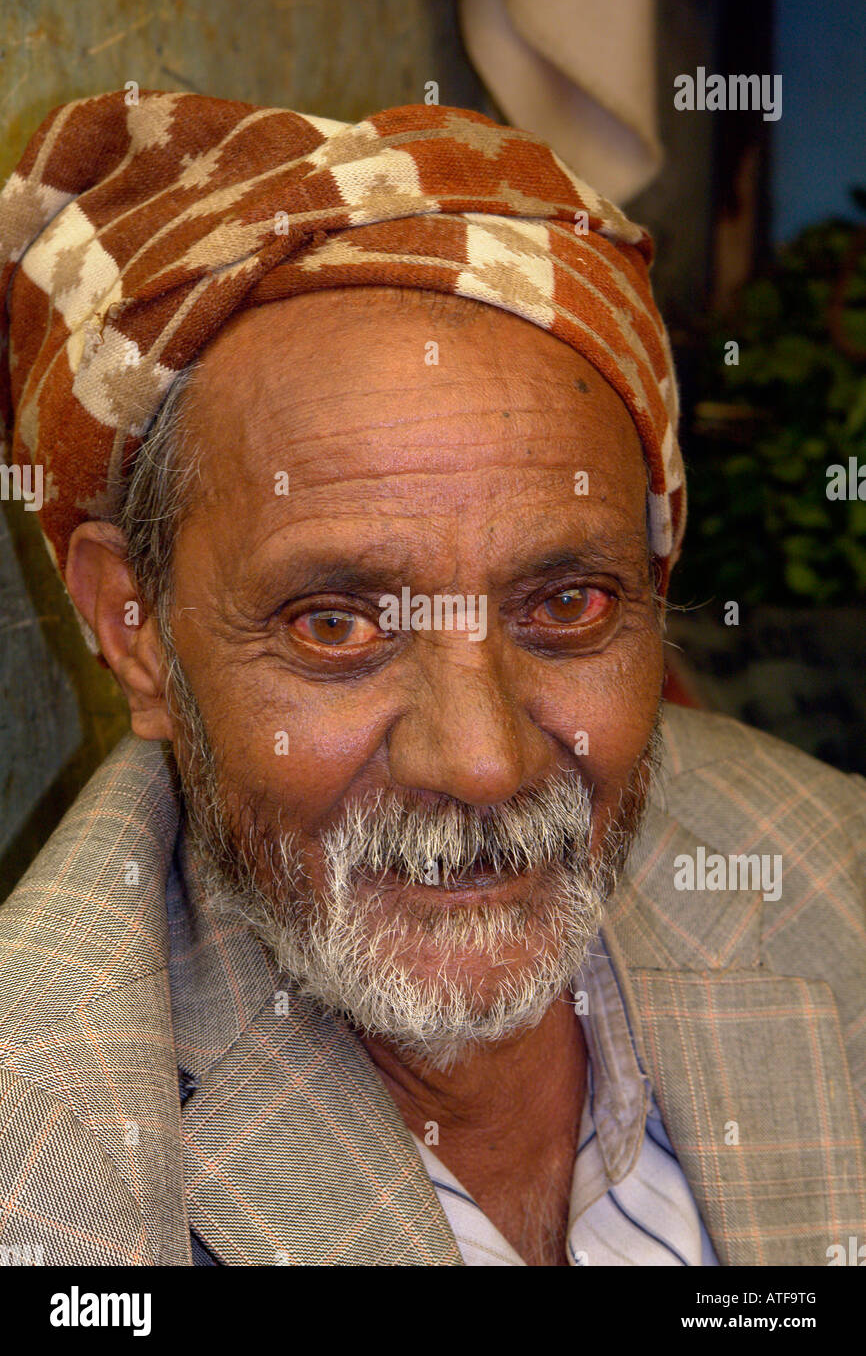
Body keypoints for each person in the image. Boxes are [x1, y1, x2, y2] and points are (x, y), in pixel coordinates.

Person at [0, 91, 863, 1267]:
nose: (483, 761)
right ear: (136, 631)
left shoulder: (824, 869)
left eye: (566, 606)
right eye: (338, 623)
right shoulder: (44, 1165)